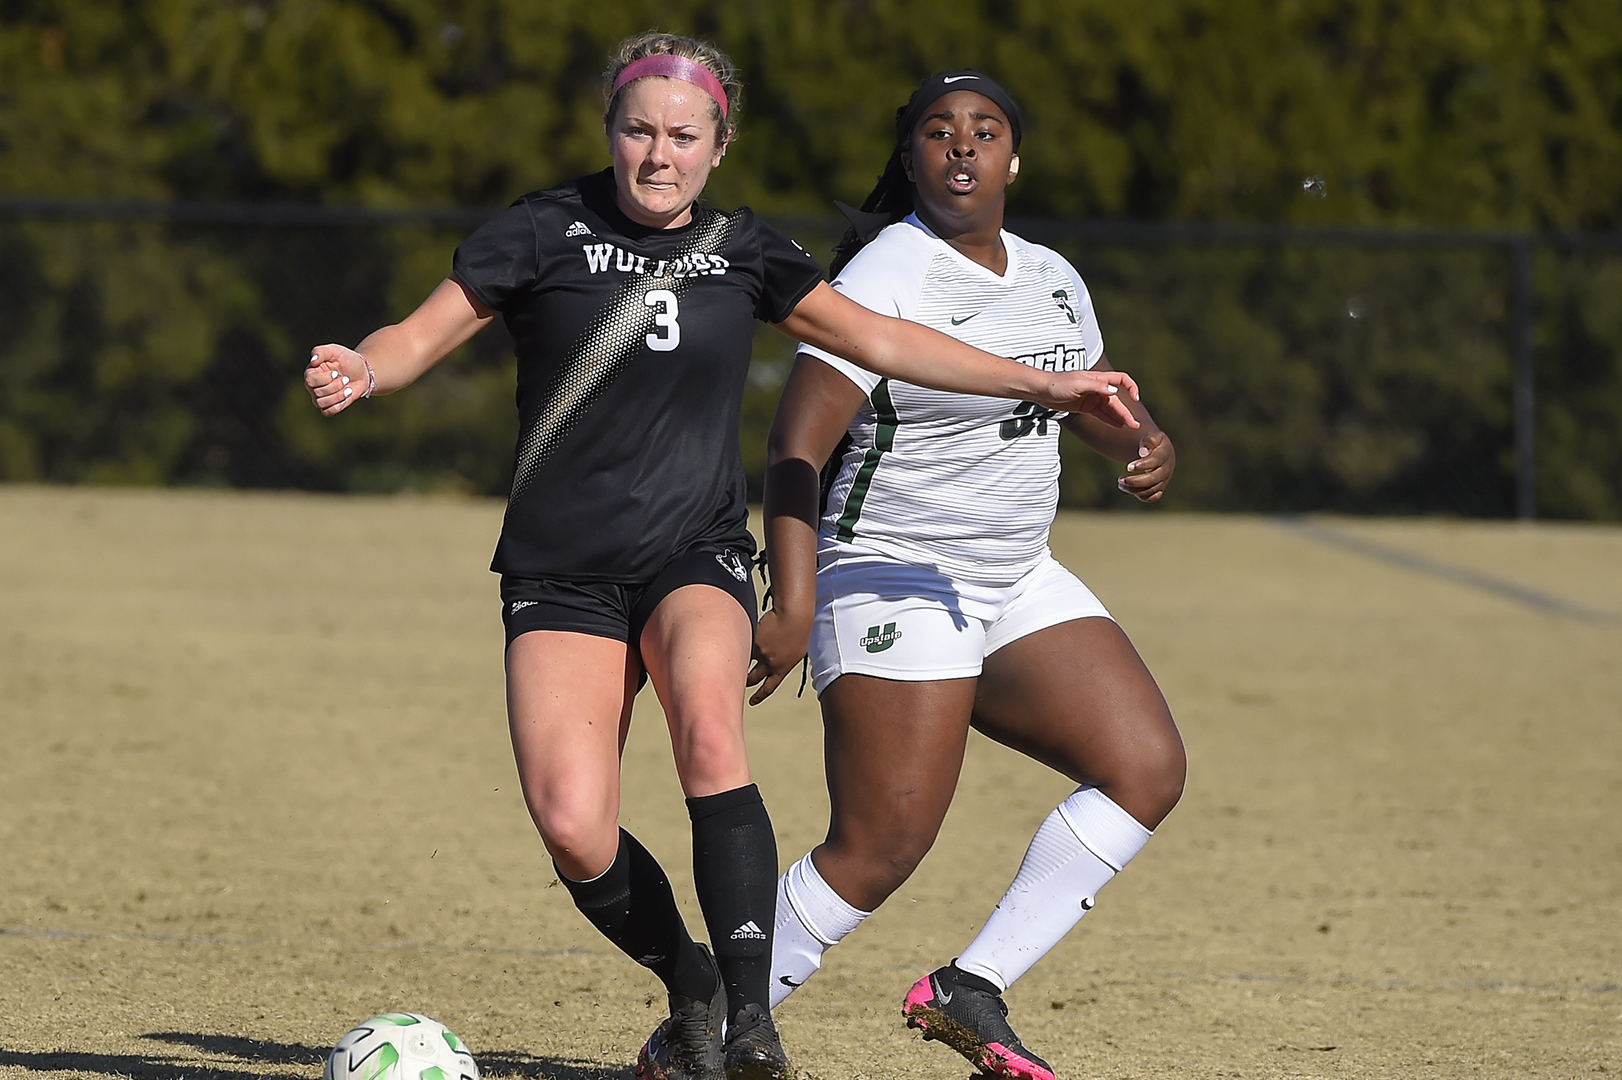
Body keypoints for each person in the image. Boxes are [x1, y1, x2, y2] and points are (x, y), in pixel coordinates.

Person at [305, 38, 1142, 1080]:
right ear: (612, 131)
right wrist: (363, 368)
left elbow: (885, 344)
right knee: (571, 825)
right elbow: (419, 335)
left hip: (694, 553)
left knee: (709, 733)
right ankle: (693, 982)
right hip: (562, 568)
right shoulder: (540, 229)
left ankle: (751, 1023)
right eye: (639, 131)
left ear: (717, 145)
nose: (658, 155)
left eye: (682, 137)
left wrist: (1043, 384)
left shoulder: (745, 249)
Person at [746, 71, 1186, 1080]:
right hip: (891, 574)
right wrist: (794, 597)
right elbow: (795, 443)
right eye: (937, 133)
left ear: (1013, 159)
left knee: (1146, 768)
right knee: (879, 849)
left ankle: (969, 988)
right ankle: (702, 1027)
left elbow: (1089, 398)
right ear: (908, 160)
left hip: (1012, 577)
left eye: (984, 132)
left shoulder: (1054, 275)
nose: (961, 148)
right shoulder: (887, 275)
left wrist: (1146, 443)